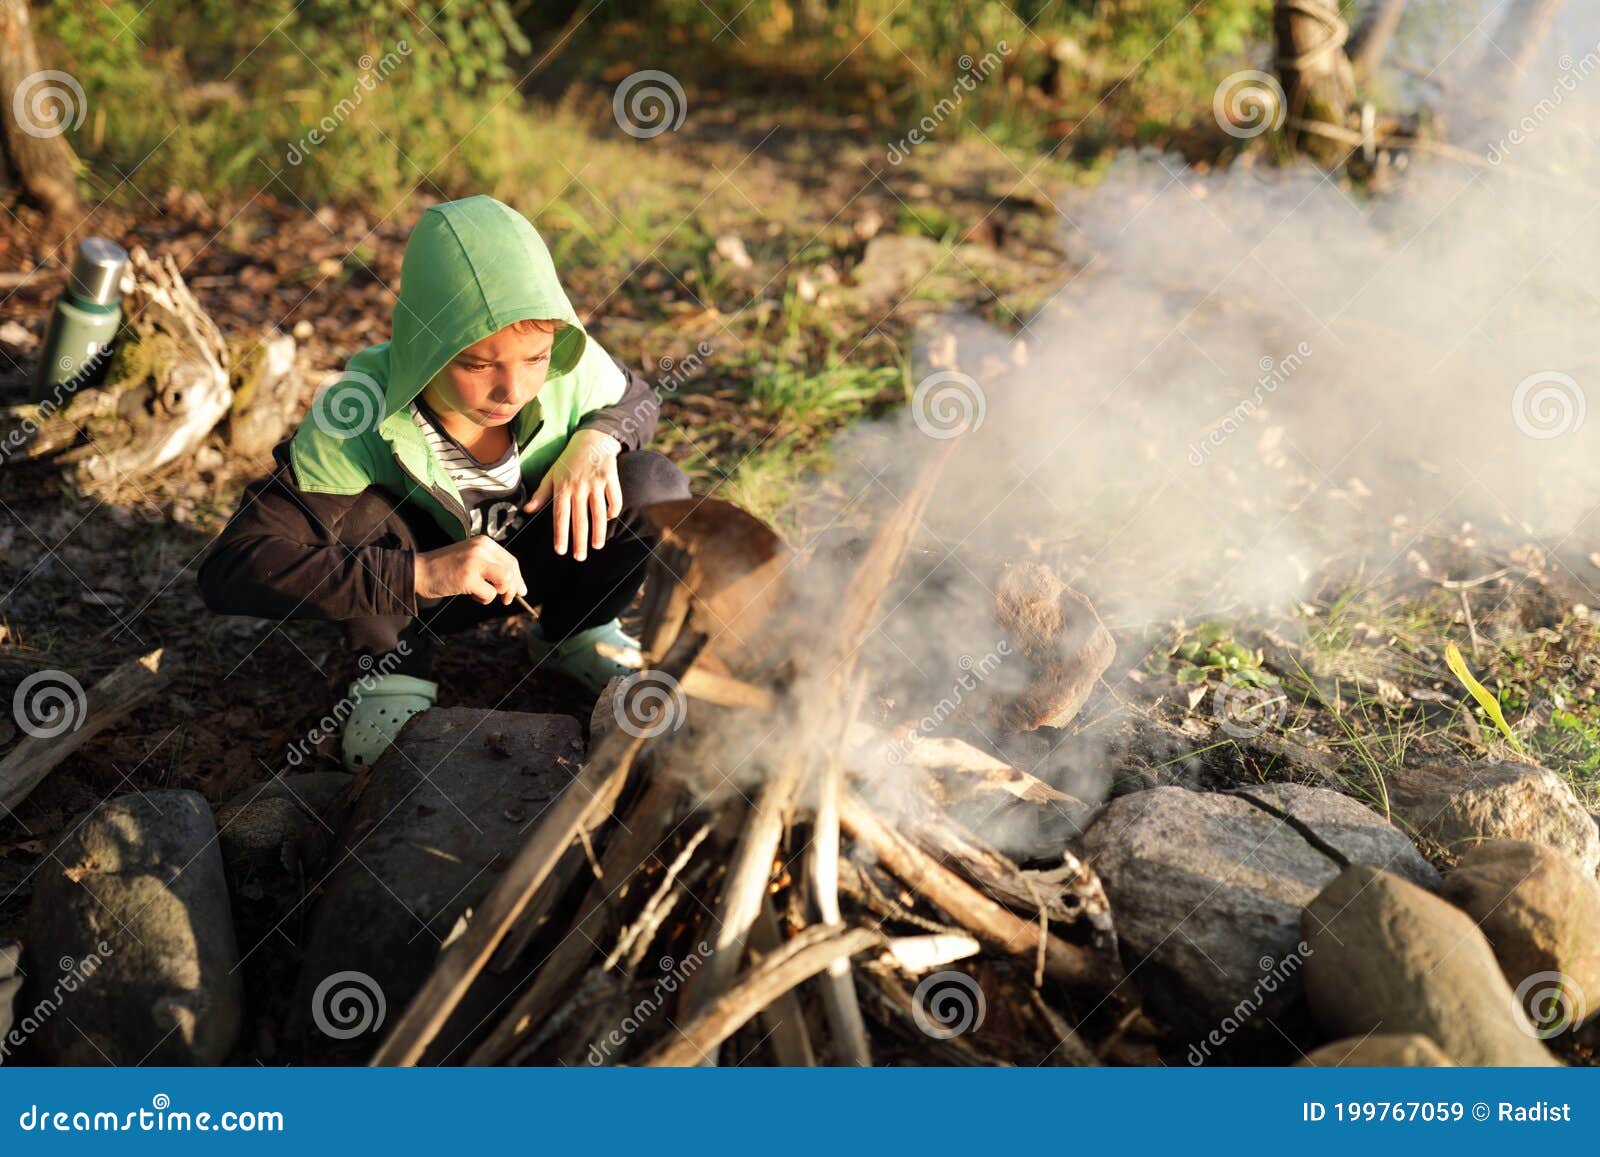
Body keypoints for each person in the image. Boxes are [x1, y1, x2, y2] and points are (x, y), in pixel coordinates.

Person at [197, 194, 689, 771]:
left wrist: (598, 438)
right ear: (425, 343)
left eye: (534, 358)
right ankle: (393, 671)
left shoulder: (563, 364)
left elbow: (636, 400)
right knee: (356, 516)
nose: (514, 390)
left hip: (534, 565)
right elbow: (232, 569)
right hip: (409, 602)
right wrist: (421, 573)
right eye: (477, 365)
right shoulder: (356, 413)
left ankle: (573, 632)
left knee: (654, 483)